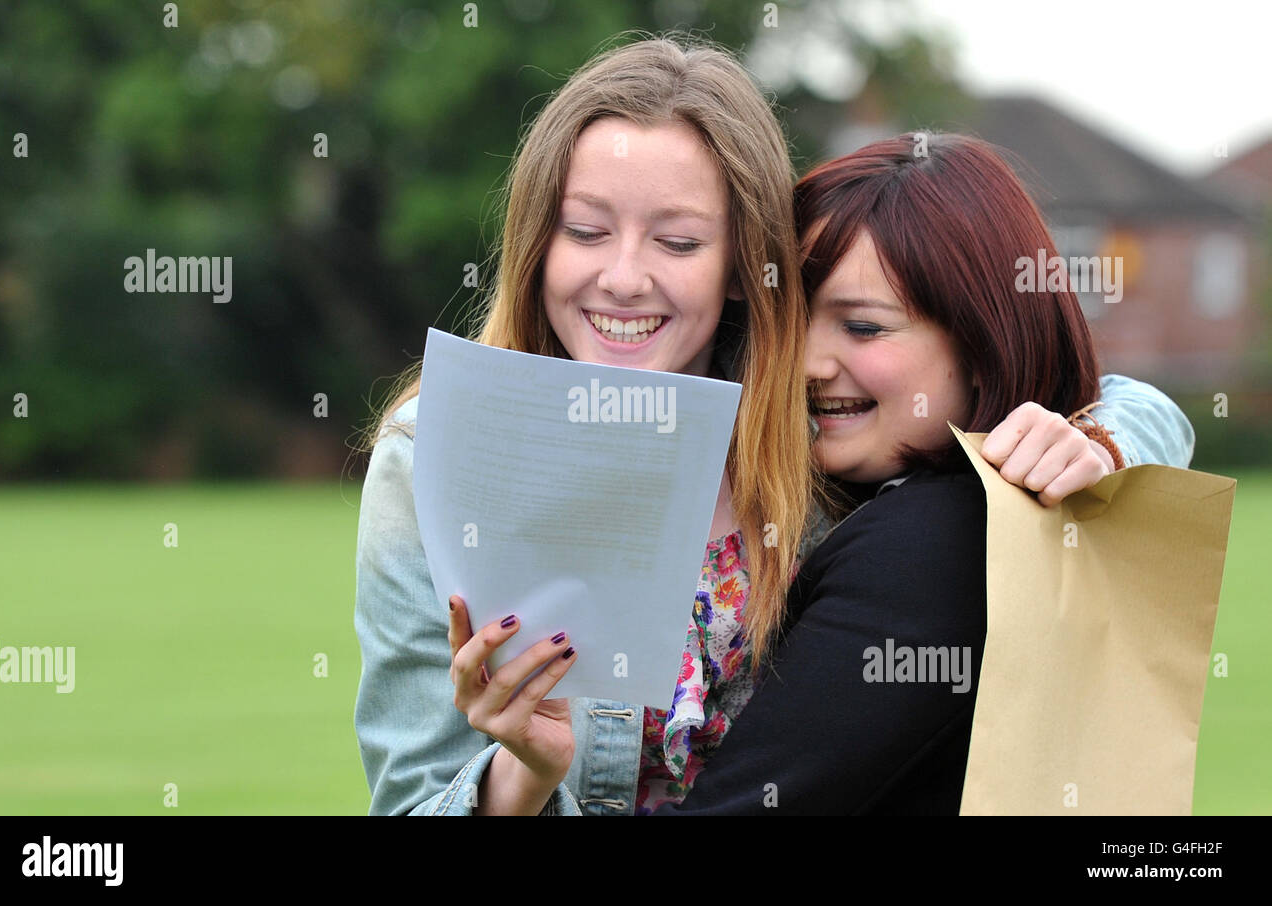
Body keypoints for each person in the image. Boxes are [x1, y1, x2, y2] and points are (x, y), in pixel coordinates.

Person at [354, 37, 1194, 816]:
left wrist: (1108, 442)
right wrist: (522, 775)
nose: (622, 277)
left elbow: (1098, 395)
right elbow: (410, 799)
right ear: (538, 244)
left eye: (678, 241)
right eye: (585, 231)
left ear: (740, 266)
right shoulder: (432, 456)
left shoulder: (804, 422)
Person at [653, 131, 1179, 814]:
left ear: (986, 338)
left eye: (864, 328)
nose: (807, 363)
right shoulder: (979, 517)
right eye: (791, 318)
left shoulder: (928, 540)